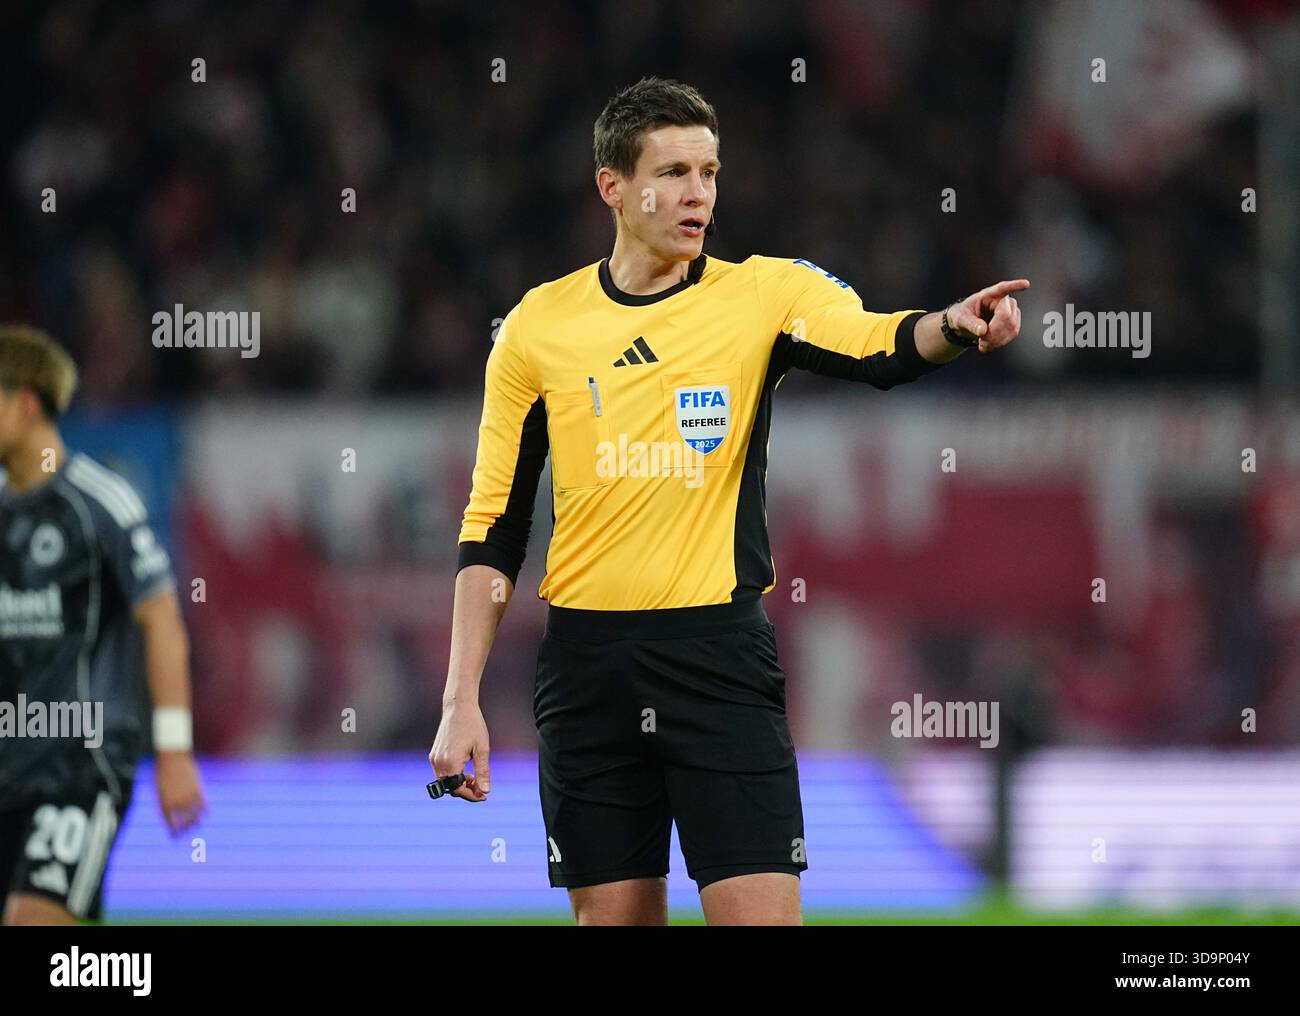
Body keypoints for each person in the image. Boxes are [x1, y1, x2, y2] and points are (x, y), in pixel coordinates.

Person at [431, 77, 1026, 925]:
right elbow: (492, 528)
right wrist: (461, 700)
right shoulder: (538, 328)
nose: (698, 194)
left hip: (717, 663)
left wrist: (954, 326)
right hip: (587, 673)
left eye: (709, 172)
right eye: (673, 172)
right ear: (613, 187)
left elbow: (876, 345)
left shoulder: (763, 297)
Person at [0, 325, 206, 924]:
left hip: (78, 769)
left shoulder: (100, 504)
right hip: (8, 771)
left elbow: (162, 620)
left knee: (32, 922)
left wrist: (172, 751)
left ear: (27, 403)